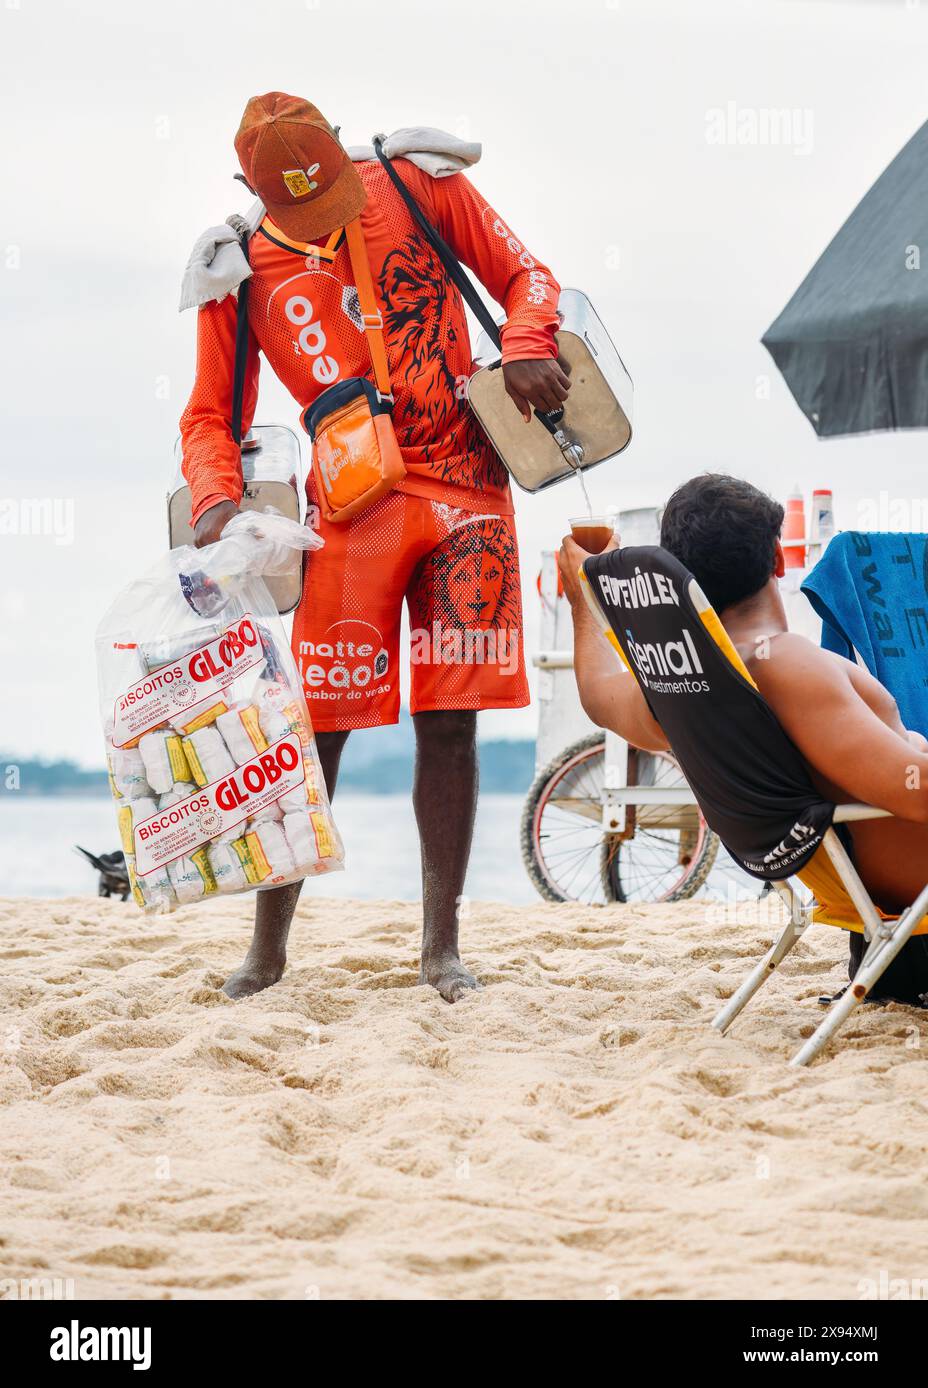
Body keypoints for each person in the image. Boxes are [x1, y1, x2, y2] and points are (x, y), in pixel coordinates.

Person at [180, 92, 570, 1002]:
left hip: (471, 485)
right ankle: (266, 954)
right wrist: (215, 503)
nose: (327, 223)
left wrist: (523, 340)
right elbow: (208, 414)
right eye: (299, 211)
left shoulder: (413, 181)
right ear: (249, 187)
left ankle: (441, 951)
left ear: (338, 148)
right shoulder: (234, 266)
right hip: (352, 508)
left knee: (452, 721)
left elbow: (529, 275)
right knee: (317, 729)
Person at [559, 474, 928, 994]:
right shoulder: (791, 666)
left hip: (838, 882)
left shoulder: (686, 680)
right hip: (906, 886)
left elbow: (598, 696)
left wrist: (584, 599)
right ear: (777, 559)